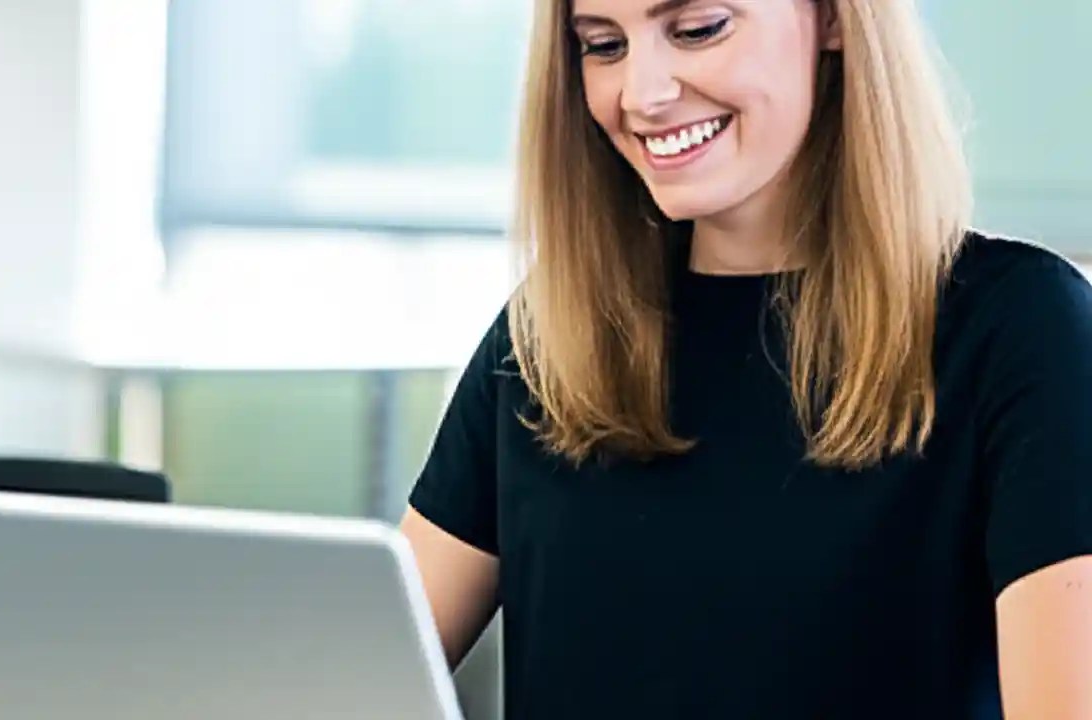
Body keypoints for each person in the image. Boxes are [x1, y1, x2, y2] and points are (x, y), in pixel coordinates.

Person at [399, 0, 1092, 718]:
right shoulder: (554, 336)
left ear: (832, 19)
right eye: (603, 46)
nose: (641, 95)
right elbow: (345, 665)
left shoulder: (1019, 328)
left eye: (698, 30)